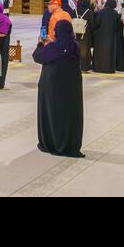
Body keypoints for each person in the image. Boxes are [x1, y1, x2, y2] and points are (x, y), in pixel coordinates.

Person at [34, 13, 84, 157]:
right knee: (69, 114)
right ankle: (69, 143)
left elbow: (37, 56)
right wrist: (52, 43)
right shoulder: (75, 46)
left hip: (53, 87)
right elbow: (64, 48)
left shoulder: (53, 48)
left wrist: (41, 44)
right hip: (72, 88)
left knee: (54, 113)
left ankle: (55, 143)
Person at [90, 0, 124, 74]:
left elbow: (96, 24)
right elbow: (117, 25)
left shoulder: (101, 12)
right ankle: (109, 68)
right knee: (110, 52)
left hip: (100, 36)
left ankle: (99, 68)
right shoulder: (115, 13)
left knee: (100, 52)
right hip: (111, 37)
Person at [74, 0, 94, 71]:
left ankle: (75, 65)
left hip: (75, 33)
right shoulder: (89, 12)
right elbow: (92, 24)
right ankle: (85, 67)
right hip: (85, 34)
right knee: (85, 51)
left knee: (75, 49)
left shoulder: (74, 10)